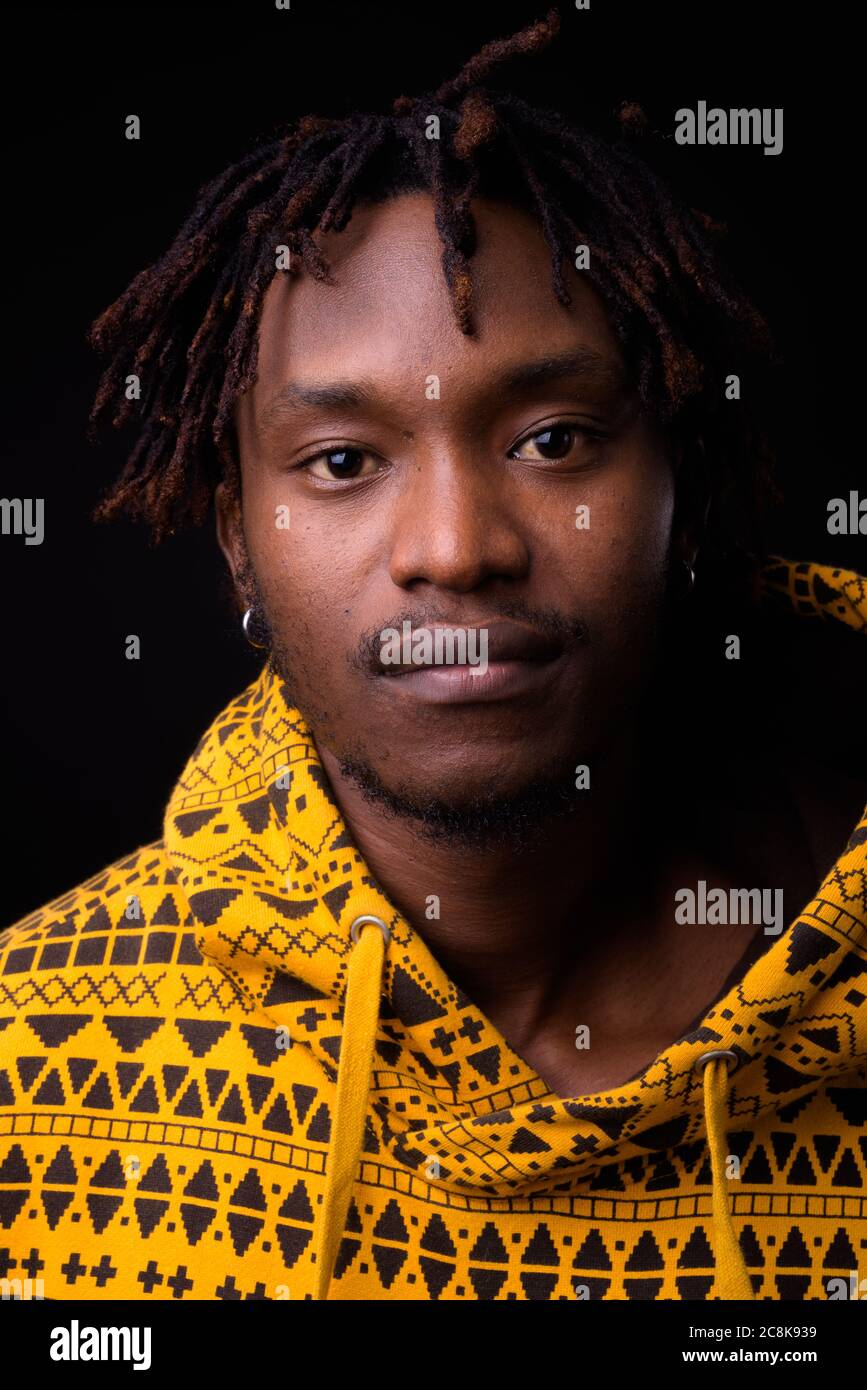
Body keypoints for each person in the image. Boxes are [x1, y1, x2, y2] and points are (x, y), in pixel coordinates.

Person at [1, 10, 865, 1302]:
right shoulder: (33, 1055)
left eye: (557, 439)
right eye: (344, 461)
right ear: (239, 541)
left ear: (682, 488)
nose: (457, 549)